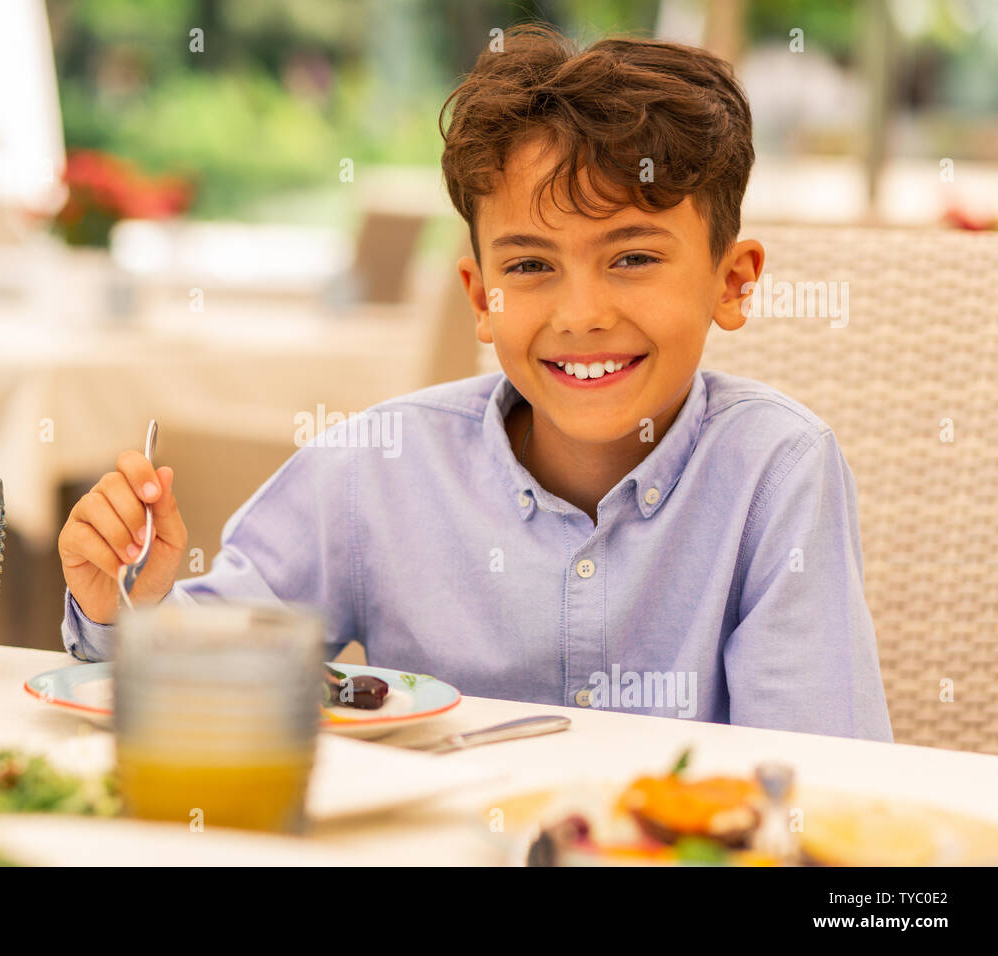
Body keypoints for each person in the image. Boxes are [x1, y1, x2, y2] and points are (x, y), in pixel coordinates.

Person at [56, 23, 893, 741]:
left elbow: (826, 781)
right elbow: (195, 677)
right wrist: (122, 608)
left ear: (733, 281)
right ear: (479, 297)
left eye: (633, 258)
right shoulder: (376, 469)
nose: (582, 313)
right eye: (530, 265)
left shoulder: (778, 473)